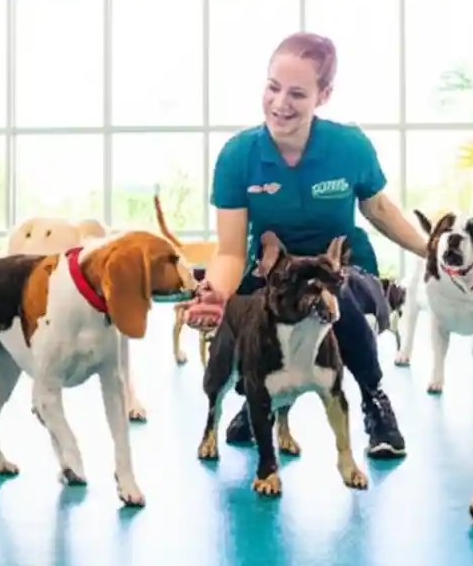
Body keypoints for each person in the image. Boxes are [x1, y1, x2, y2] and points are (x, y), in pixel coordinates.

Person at [182, 31, 428, 458]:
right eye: (273, 87)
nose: (280, 103)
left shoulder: (349, 146)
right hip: (273, 272)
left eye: (297, 93)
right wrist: (216, 294)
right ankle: (260, 397)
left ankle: (375, 401)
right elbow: (231, 252)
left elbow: (379, 210)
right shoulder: (238, 156)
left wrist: (430, 251)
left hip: (344, 269)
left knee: (335, 298)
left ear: (323, 95)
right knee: (250, 314)